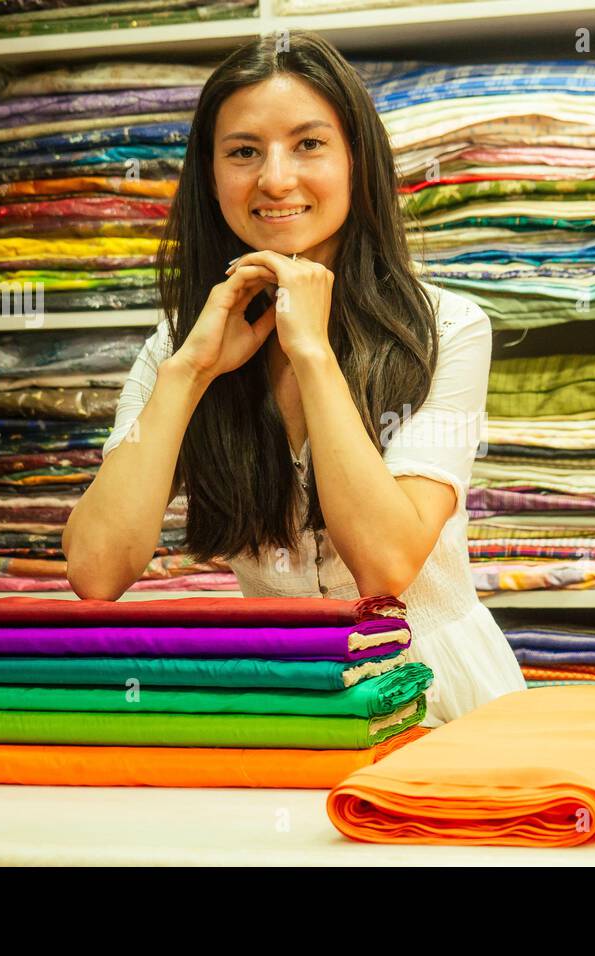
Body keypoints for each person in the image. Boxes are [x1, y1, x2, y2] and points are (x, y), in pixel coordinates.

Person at [62, 31, 526, 726]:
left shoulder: (447, 328)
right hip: (282, 698)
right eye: (243, 152)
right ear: (209, 174)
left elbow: (385, 566)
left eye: (308, 144)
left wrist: (312, 352)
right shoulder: (181, 346)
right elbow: (97, 572)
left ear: (357, 160)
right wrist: (188, 372)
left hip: (442, 692)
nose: (275, 179)